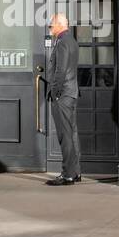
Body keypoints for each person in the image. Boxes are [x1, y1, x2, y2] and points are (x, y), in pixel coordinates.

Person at [45, 13, 81, 186]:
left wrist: (56, 92)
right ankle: (75, 172)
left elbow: (60, 70)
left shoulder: (62, 42)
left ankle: (67, 175)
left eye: (51, 25)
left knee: (65, 135)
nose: (49, 27)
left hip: (63, 94)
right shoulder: (71, 41)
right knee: (72, 133)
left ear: (59, 24)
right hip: (71, 92)